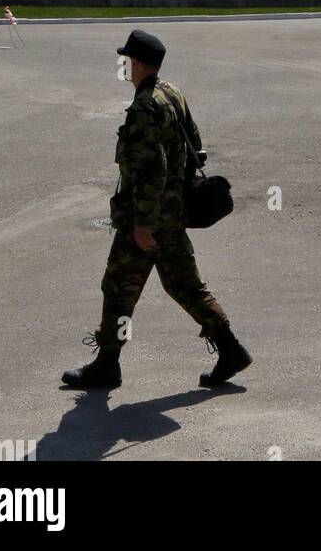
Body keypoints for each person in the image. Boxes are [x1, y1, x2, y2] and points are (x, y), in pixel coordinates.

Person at [61, 30, 250, 390]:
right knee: (186, 286)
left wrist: (144, 222)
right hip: (173, 213)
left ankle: (106, 365)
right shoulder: (172, 93)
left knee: (118, 287)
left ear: (135, 63)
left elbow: (150, 169)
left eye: (127, 61)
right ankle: (231, 350)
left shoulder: (144, 107)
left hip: (146, 219)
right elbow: (194, 144)